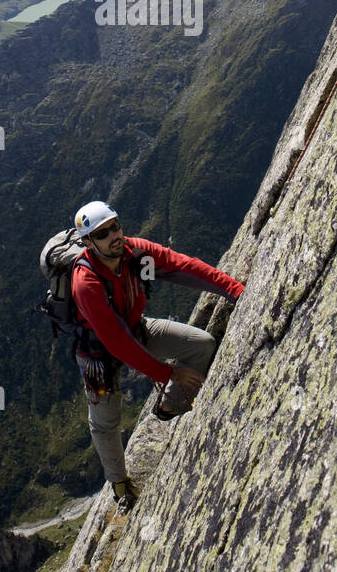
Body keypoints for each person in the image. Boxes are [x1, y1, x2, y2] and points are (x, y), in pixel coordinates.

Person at [71, 199, 247, 513]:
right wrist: (168, 373)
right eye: (102, 233)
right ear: (88, 242)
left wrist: (233, 289)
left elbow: (182, 265)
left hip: (137, 329)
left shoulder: (133, 254)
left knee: (202, 344)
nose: (114, 235)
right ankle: (120, 485)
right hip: (99, 355)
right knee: (106, 422)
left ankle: (168, 407)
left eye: (115, 226)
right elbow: (117, 343)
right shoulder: (86, 283)